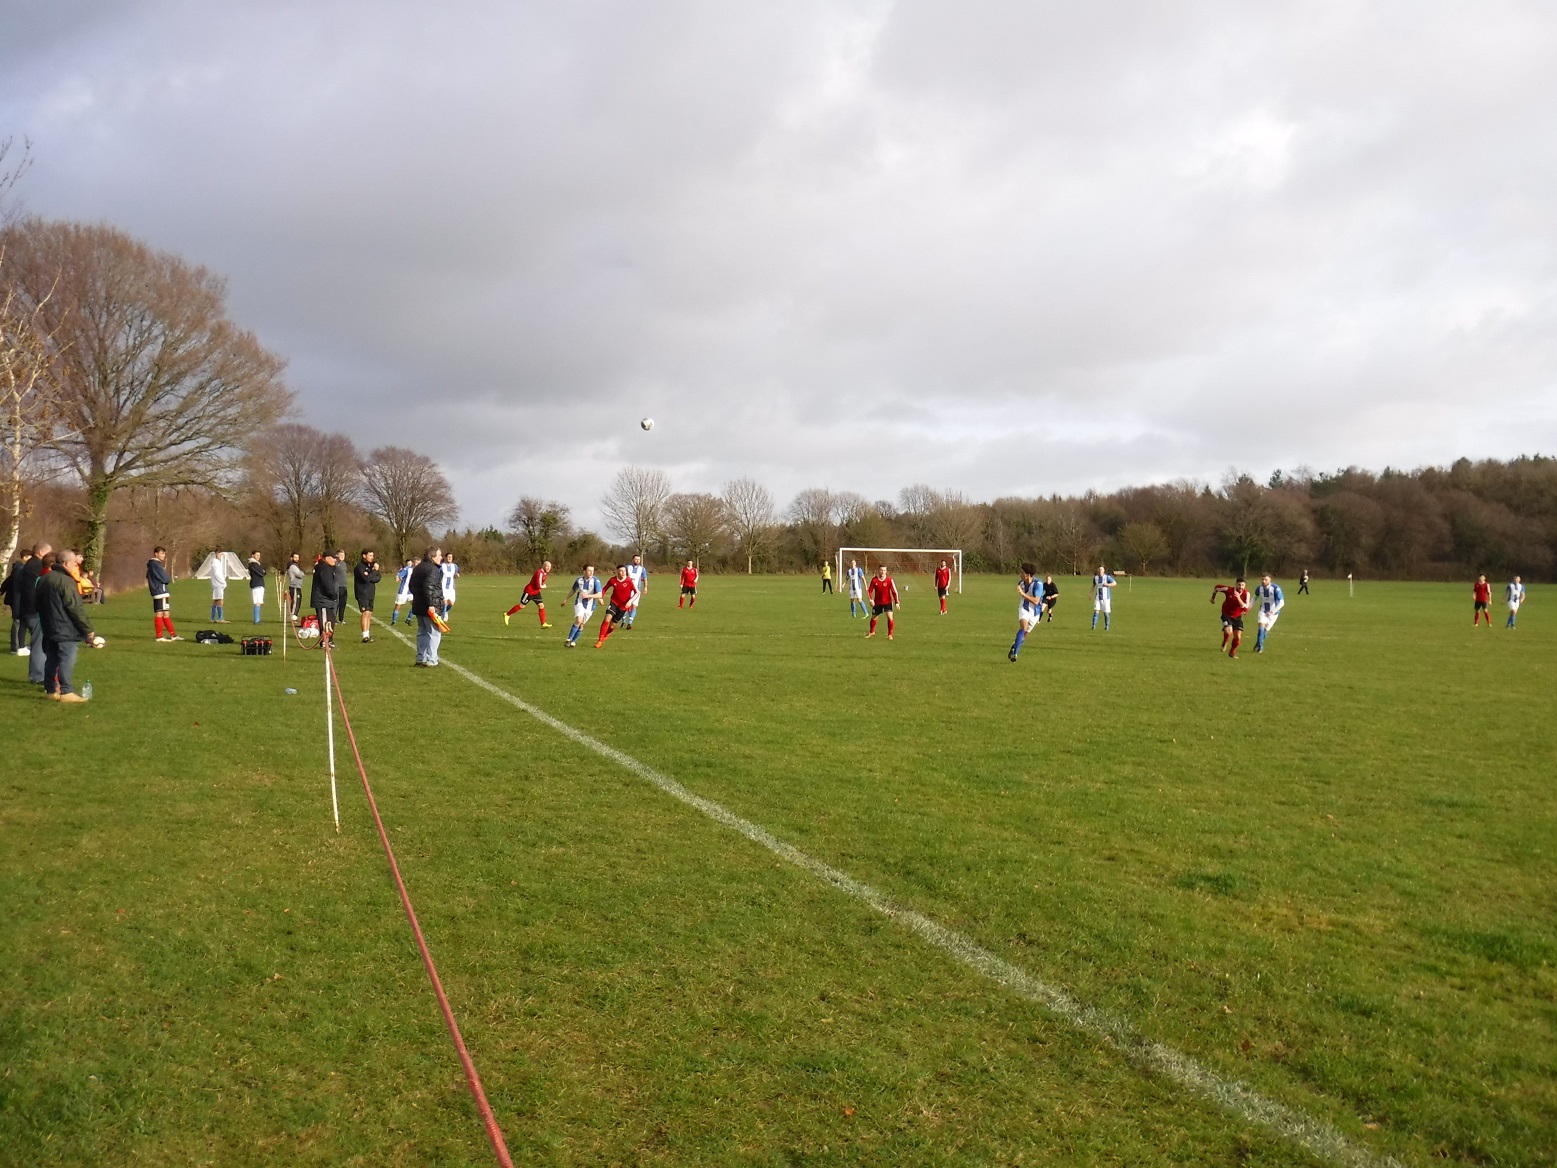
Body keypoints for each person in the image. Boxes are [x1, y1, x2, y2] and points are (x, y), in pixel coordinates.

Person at [37, 548, 104, 702]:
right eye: (74, 563)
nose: (75, 566)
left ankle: (51, 690)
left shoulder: (44, 579)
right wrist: (87, 629)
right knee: (67, 658)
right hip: (64, 627)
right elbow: (74, 607)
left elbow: (37, 603)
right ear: (66, 563)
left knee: (52, 658)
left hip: (48, 626)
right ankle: (66, 691)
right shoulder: (66, 581)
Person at [16, 542, 50, 682]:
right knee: (39, 643)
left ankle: (39, 674)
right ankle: (37, 676)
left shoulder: (28, 566)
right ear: (41, 553)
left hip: (27, 609)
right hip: (34, 611)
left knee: (39, 642)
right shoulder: (37, 567)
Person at [409, 547, 446, 666]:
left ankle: (421, 658)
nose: (441, 558)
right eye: (439, 555)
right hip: (430, 606)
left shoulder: (418, 567)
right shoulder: (432, 569)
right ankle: (431, 660)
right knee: (434, 633)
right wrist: (431, 604)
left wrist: (418, 598)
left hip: (418, 605)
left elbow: (411, 585)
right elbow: (428, 587)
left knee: (422, 632)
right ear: (432, 556)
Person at [594, 564, 640, 648]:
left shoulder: (630, 581)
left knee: (612, 626)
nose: (623, 573)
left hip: (623, 606)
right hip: (614, 603)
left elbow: (637, 592)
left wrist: (630, 601)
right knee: (607, 618)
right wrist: (600, 598)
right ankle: (600, 640)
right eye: (621, 571)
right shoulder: (613, 580)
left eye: (624, 571)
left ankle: (607, 634)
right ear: (617, 572)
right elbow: (604, 589)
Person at [1009, 562, 1044, 662]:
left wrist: (1022, 593)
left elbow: (1036, 601)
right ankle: (1015, 654)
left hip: (1035, 612)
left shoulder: (1038, 584)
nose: (1020, 574)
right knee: (1023, 627)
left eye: (1022, 572)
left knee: (1024, 635)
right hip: (1024, 608)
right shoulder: (1021, 583)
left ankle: (1014, 645)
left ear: (1028, 575)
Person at [147, 546, 181, 641]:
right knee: (160, 613)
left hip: (163, 592)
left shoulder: (156, 564)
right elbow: (165, 578)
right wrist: (166, 579)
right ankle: (159, 636)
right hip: (159, 592)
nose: (163, 555)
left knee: (166, 613)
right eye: (162, 553)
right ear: (156, 554)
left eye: (164, 553)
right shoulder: (155, 564)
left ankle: (173, 635)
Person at [504, 561, 552, 628]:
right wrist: (544, 586)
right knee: (522, 606)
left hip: (536, 592)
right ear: (543, 566)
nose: (548, 568)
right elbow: (539, 586)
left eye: (549, 567)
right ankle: (507, 614)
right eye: (547, 566)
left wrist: (542, 585)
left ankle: (543, 623)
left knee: (541, 606)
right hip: (529, 592)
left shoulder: (544, 573)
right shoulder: (539, 573)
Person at [1212, 577, 1251, 658]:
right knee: (1228, 631)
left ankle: (1232, 652)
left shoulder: (1246, 594)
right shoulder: (1229, 590)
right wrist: (1213, 598)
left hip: (1237, 616)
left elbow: (1246, 609)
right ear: (1236, 585)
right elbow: (1217, 587)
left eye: (1243, 585)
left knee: (1238, 637)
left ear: (1245, 586)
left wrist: (1238, 598)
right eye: (1239, 585)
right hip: (1226, 614)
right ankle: (1225, 642)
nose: (1241, 587)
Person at [308, 551, 343, 644]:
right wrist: (333, 594)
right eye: (333, 558)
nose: (335, 560)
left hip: (328, 600)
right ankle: (325, 641)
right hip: (323, 600)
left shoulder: (329, 568)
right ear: (327, 558)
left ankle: (329, 640)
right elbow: (327, 584)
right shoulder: (324, 568)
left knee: (330, 620)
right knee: (325, 621)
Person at [565, 564, 603, 646]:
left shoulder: (596, 581)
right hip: (579, 603)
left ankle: (573, 641)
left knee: (582, 624)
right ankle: (569, 639)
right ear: (584, 571)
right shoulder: (579, 580)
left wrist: (589, 596)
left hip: (590, 606)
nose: (591, 572)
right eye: (589, 570)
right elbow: (573, 590)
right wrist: (566, 599)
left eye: (592, 571)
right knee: (579, 620)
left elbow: (599, 595)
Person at [4, 549, 33, 653]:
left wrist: (2, 589)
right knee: (18, 622)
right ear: (25, 557)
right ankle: (16, 646)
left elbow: (8, 581)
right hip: (17, 600)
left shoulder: (18, 568)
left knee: (19, 622)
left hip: (15, 599)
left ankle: (18, 645)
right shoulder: (20, 569)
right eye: (30, 557)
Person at [353, 550, 381, 643]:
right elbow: (366, 579)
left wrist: (371, 575)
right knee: (365, 613)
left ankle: (367, 634)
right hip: (362, 593)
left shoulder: (371, 566)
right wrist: (373, 572)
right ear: (364, 556)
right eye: (370, 555)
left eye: (373, 555)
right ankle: (365, 635)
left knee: (369, 613)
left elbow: (378, 578)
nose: (372, 557)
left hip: (371, 592)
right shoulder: (359, 567)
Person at [865, 564, 899, 640]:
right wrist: (871, 600)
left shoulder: (889, 580)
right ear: (878, 571)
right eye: (881, 570)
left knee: (890, 617)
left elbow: (894, 591)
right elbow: (869, 591)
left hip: (887, 602)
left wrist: (897, 602)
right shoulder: (874, 580)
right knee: (874, 617)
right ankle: (872, 632)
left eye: (884, 570)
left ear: (886, 571)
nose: (882, 572)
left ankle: (890, 635)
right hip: (877, 603)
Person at [1253, 573, 1284, 653]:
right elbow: (1254, 598)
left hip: (1274, 614)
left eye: (1265, 579)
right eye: (1262, 579)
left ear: (1270, 580)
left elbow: (1282, 603)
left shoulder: (1275, 588)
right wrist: (1247, 608)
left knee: (1265, 632)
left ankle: (1258, 643)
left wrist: (1272, 612)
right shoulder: (1259, 588)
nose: (1263, 581)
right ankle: (1260, 647)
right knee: (1261, 629)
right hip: (1263, 612)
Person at [205, 547, 231, 622]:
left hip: (216, 584)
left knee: (216, 600)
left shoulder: (217, 562)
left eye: (220, 553)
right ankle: (220, 618)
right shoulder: (215, 562)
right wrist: (223, 582)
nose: (219, 555)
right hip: (218, 584)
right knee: (220, 600)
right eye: (218, 553)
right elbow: (217, 574)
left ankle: (212, 618)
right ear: (216, 554)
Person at [623, 553, 648, 628]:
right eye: (636, 559)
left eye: (639, 559)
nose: (638, 560)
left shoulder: (642, 569)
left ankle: (629, 623)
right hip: (627, 590)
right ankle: (623, 621)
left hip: (636, 591)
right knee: (625, 606)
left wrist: (646, 587)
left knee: (634, 606)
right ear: (633, 560)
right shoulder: (627, 567)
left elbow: (645, 578)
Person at [1091, 565, 1117, 630]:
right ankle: (1093, 626)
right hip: (1098, 598)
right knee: (1096, 611)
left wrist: (1108, 585)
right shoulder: (1095, 578)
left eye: (1101, 570)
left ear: (1104, 571)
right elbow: (1093, 586)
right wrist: (1090, 593)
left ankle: (1106, 626)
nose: (1100, 571)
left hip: (1106, 598)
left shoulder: (1107, 577)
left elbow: (1115, 583)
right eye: (1099, 569)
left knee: (1106, 613)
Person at [390, 558, 415, 624]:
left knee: (415, 605)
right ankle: (394, 621)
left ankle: (408, 619)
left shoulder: (414, 569)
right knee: (398, 606)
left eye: (410, 563)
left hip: (410, 591)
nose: (409, 564)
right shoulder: (406, 569)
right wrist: (398, 576)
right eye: (408, 563)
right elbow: (397, 579)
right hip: (403, 590)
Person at [246, 551, 266, 624]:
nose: (258, 556)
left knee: (259, 602)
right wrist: (263, 571)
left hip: (260, 584)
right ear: (252, 555)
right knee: (257, 602)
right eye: (256, 555)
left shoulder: (257, 564)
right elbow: (261, 573)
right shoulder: (252, 564)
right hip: (256, 584)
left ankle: (258, 619)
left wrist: (263, 571)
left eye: (259, 555)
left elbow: (264, 571)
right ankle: (256, 620)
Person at [439, 552, 460, 620]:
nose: (449, 558)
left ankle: (445, 612)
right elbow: (438, 574)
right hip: (443, 587)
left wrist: (457, 576)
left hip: (451, 588)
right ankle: (443, 618)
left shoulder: (455, 566)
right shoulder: (441, 566)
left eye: (451, 557)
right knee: (444, 603)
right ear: (445, 558)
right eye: (448, 557)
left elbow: (455, 575)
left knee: (451, 603)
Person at [285, 553, 305, 622]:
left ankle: (294, 616)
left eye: (298, 557)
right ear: (291, 558)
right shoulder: (292, 566)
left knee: (297, 601)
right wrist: (302, 573)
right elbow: (299, 574)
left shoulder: (296, 565)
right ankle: (293, 617)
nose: (297, 559)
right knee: (295, 602)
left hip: (297, 586)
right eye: (295, 557)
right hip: (294, 586)